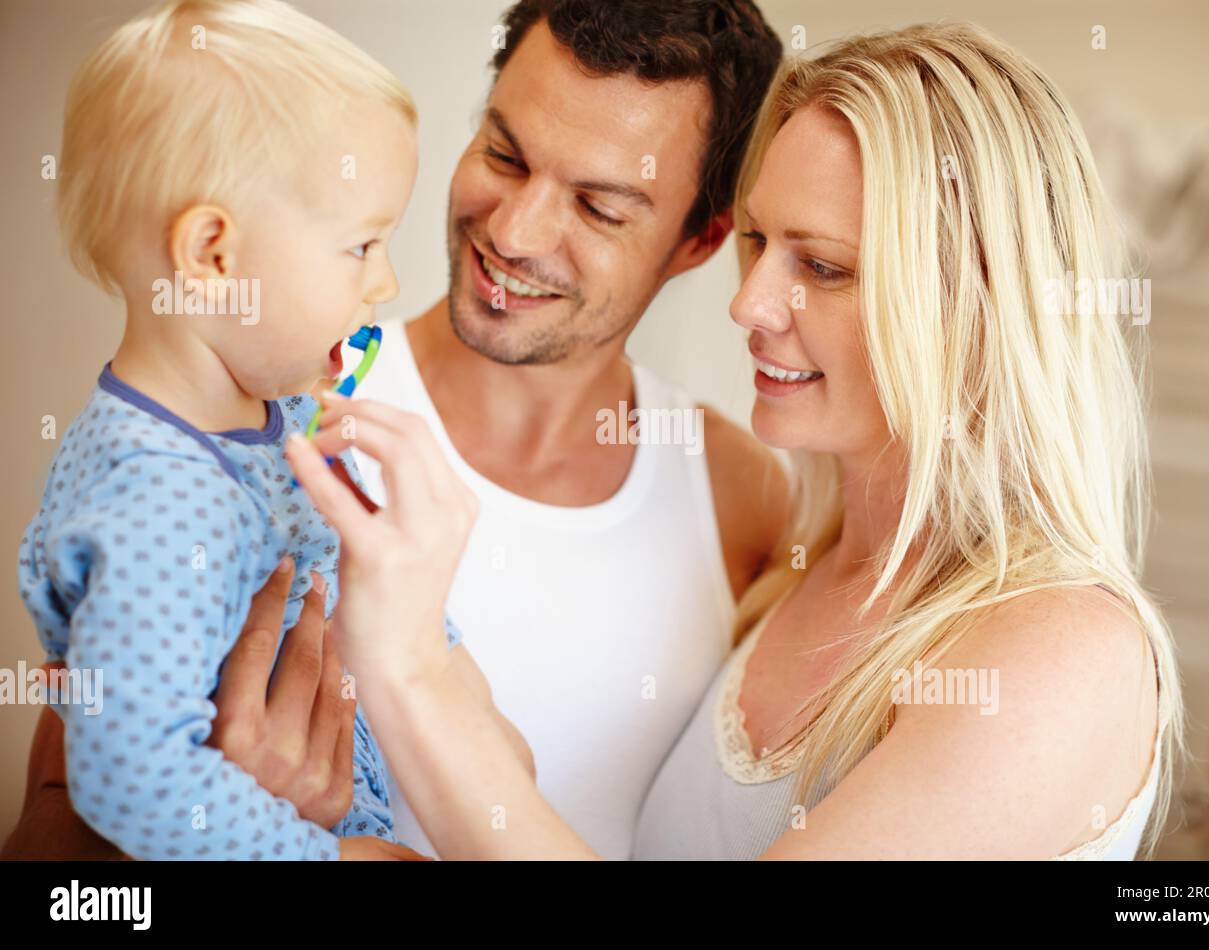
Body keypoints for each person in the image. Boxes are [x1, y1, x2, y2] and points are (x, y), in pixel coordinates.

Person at [287, 21, 1187, 860]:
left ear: (982, 310)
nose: (747, 303)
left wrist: (406, 666)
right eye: (760, 243)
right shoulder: (800, 574)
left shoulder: (1065, 650)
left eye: (824, 268)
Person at [6, 0, 788, 861]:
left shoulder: (741, 494)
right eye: (504, 154)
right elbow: (56, 849)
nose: (515, 231)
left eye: (600, 206)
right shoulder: (271, 411)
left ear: (699, 240)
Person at [13, 0, 469, 860]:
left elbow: (358, 587)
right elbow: (135, 776)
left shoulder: (270, 412)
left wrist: (457, 690)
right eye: (362, 245)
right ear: (215, 257)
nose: (387, 282)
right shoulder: (161, 494)